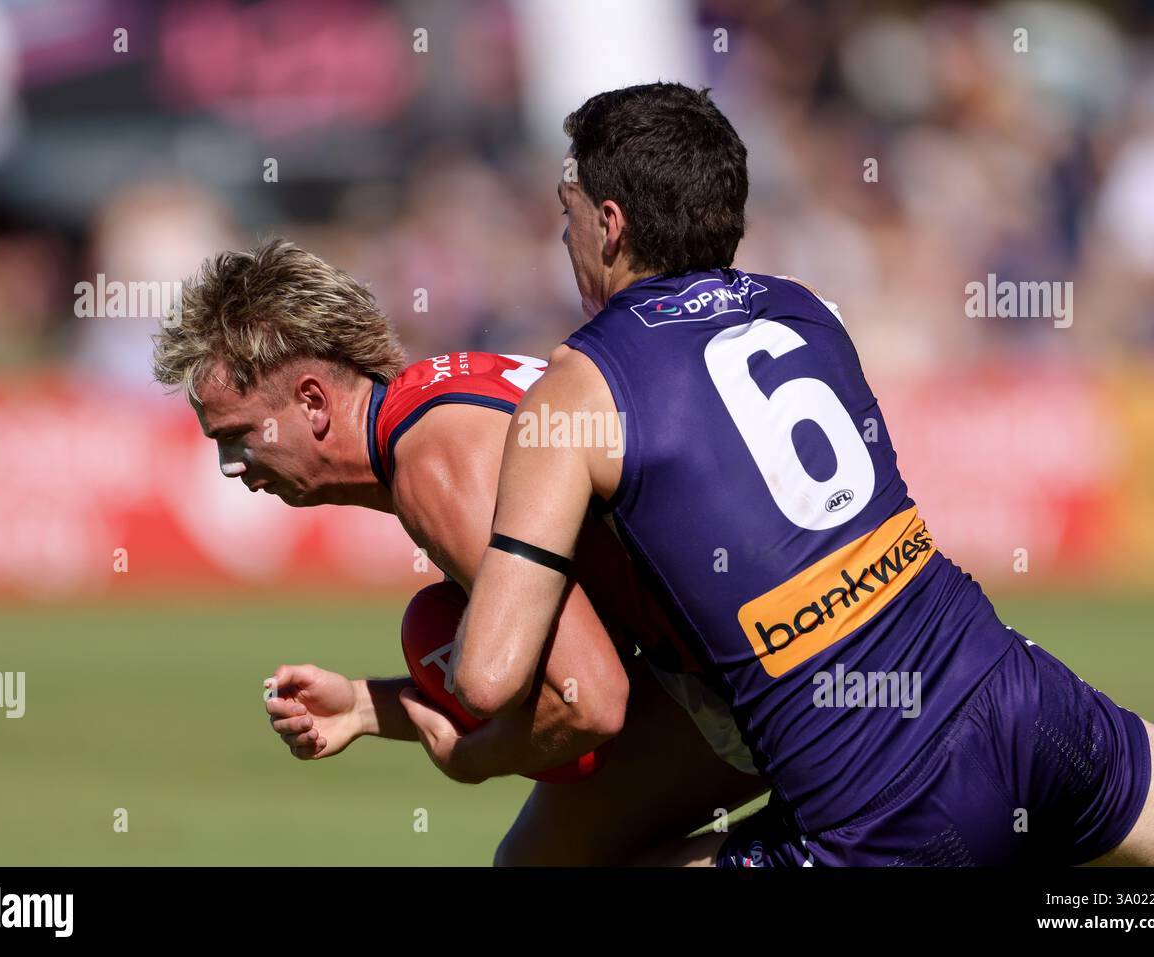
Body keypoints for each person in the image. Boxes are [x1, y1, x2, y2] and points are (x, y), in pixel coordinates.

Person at [451, 82, 1154, 866]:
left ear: (610, 224)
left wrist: (409, 698)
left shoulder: (577, 386)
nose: (563, 235)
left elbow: (488, 678)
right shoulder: (810, 311)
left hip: (881, 818)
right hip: (1018, 699)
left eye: (567, 211)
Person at [151, 239, 766, 865]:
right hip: (785, 637)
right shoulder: (441, 396)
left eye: (237, 437)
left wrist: (473, 760)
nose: (230, 467)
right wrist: (368, 706)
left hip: (771, 672)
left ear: (312, 401)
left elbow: (591, 704)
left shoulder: (433, 466)